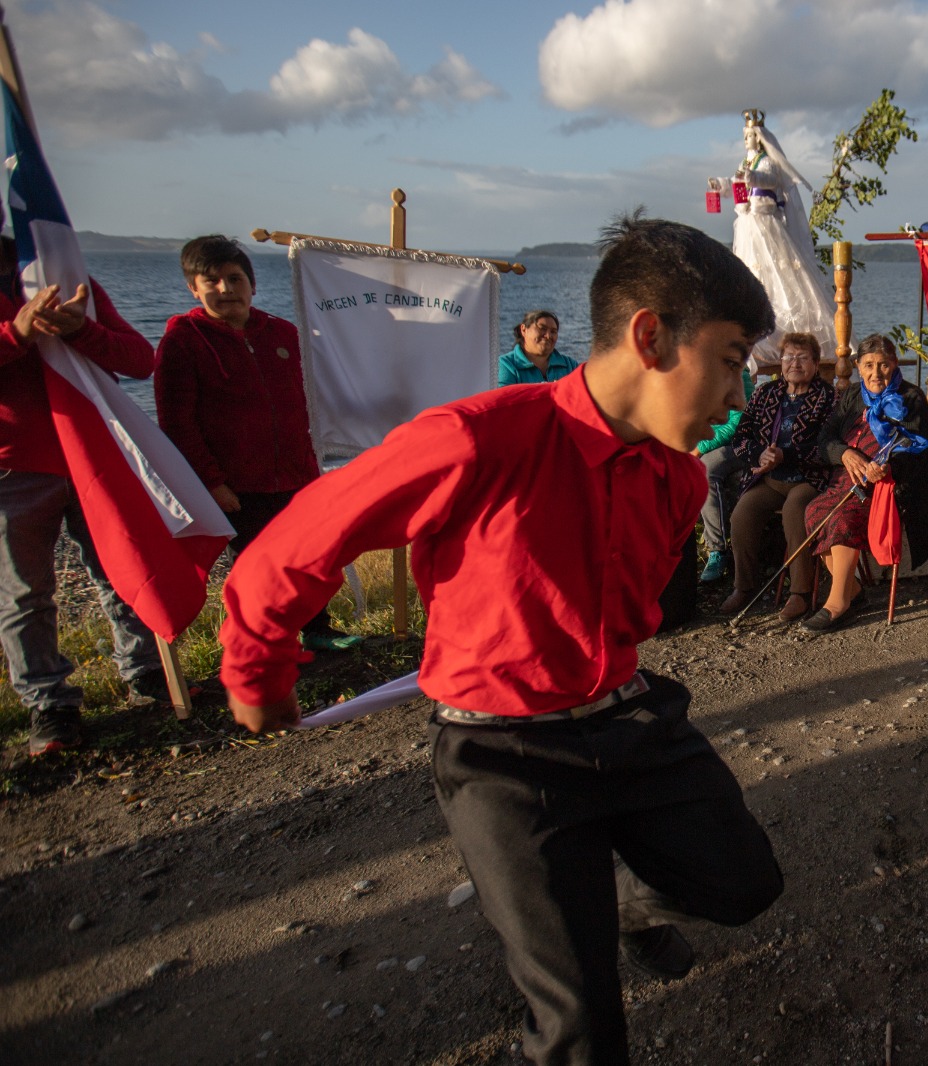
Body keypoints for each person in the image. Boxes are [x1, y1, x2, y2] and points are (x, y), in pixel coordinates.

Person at [218, 213, 784, 1066]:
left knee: (745, 884)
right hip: (501, 753)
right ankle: (579, 931)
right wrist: (257, 669)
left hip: (625, 716)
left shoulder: (674, 476)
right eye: (733, 360)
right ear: (650, 338)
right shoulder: (477, 439)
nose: (739, 398)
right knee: (577, 1028)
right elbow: (302, 538)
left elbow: (635, 611)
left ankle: (614, 909)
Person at [0, 236, 169, 755]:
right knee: (25, 593)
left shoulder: (60, 277)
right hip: (14, 464)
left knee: (122, 568)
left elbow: (140, 360)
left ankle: (146, 672)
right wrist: (16, 333)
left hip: (93, 452)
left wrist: (82, 331)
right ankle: (50, 704)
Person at [154, 235, 359, 652]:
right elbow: (177, 422)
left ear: (252, 284)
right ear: (193, 288)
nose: (225, 289)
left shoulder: (282, 333)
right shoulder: (183, 342)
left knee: (309, 557)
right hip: (236, 485)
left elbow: (316, 397)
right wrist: (212, 482)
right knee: (253, 568)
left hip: (297, 473)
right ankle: (261, 645)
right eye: (212, 281)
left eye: (235, 278)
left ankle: (318, 630)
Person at [801, 334, 928, 631]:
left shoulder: (911, 398)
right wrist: (845, 453)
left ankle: (837, 604)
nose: (876, 373)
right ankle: (852, 590)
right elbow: (825, 439)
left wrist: (887, 468)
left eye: (883, 365)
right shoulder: (853, 395)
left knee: (842, 518)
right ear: (857, 366)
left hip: (888, 489)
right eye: (868, 365)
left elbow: (917, 450)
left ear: (894, 364)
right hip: (847, 483)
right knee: (815, 511)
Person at [718, 331, 836, 620]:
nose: (795, 363)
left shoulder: (828, 397)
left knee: (795, 510)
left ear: (816, 363)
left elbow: (829, 446)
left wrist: (787, 455)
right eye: (788, 357)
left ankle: (800, 593)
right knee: (742, 513)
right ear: (781, 362)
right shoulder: (765, 394)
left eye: (803, 357)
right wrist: (760, 454)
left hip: (809, 478)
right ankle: (744, 587)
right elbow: (741, 437)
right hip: (770, 478)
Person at [708, 108, 834, 369]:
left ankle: (788, 335)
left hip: (765, 224)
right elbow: (735, 182)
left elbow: (772, 179)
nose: (746, 141)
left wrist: (752, 178)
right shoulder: (745, 163)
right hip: (747, 224)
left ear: (759, 137)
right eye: (745, 137)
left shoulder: (766, 162)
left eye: (750, 136)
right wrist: (720, 184)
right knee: (751, 270)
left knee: (778, 274)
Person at [694, 368, 755, 584]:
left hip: (738, 444)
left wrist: (700, 447)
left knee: (706, 470)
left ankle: (717, 550)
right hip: (702, 439)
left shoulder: (737, 372)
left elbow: (738, 423)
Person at [498, 310, 577, 386]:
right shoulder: (506, 364)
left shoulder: (570, 365)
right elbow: (505, 394)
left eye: (553, 331)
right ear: (523, 329)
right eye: (542, 329)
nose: (548, 336)